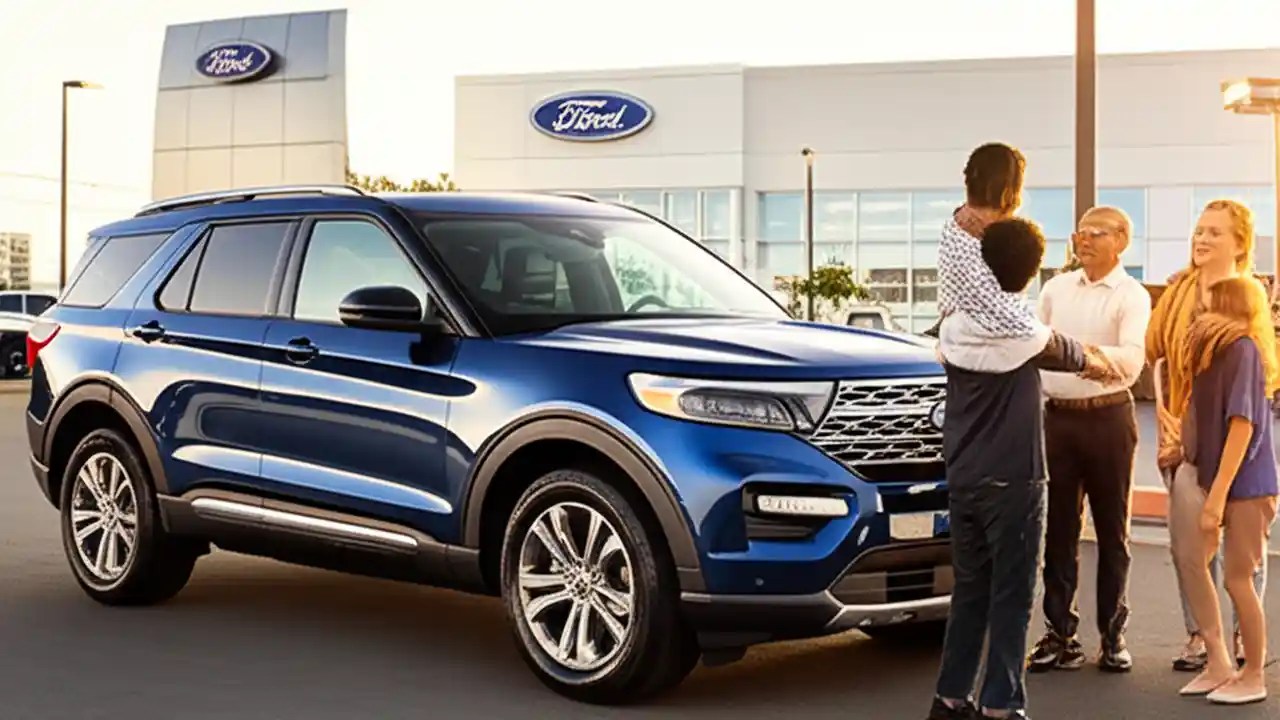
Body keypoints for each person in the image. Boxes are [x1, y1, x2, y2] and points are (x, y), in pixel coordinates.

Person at [927, 217, 1120, 720]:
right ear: (1033, 272)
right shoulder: (1023, 332)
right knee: (1013, 594)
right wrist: (1103, 364)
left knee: (969, 589)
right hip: (1015, 478)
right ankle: (1001, 704)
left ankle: (950, 697)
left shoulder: (954, 325)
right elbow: (1069, 352)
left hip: (965, 475)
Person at [1146, 199, 1280, 673]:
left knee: (1241, 559)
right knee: (1189, 551)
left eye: (1215, 233)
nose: (1202, 239)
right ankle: (1202, 640)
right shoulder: (1180, 290)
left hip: (1234, 453)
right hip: (1184, 444)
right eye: (1199, 230)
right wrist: (1169, 419)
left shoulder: (1247, 297)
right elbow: (1157, 354)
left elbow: (1255, 385)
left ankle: (1246, 638)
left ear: (1240, 244)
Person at [1027, 207, 1151, 674]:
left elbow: (1131, 362)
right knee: (1057, 533)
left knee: (1112, 534)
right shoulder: (1056, 289)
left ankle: (1113, 634)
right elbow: (1034, 344)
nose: (1084, 239)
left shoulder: (1131, 295)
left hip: (1108, 422)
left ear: (1120, 240)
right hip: (1057, 422)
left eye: (1096, 233)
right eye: (1080, 231)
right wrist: (1084, 357)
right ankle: (1059, 634)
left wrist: (1074, 355)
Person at [1172, 275, 1278, 704]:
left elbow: (1242, 425)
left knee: (1238, 579)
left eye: (1210, 300)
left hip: (1247, 486)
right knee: (1193, 562)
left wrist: (1216, 498)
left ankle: (1254, 675)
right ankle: (1219, 662)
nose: (1201, 307)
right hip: (1214, 478)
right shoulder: (1209, 353)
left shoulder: (1243, 350)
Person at [934, 142, 1038, 341]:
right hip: (993, 350)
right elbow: (1001, 314)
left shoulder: (956, 227)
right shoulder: (993, 238)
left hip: (962, 347)